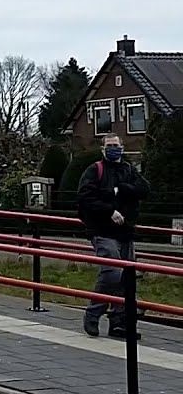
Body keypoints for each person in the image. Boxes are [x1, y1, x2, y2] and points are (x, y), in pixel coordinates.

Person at [77, 133, 150, 338]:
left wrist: (121, 190)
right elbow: (85, 198)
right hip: (102, 230)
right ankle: (93, 313)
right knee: (112, 271)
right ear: (103, 149)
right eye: (109, 146)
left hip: (125, 232)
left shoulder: (128, 170)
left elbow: (144, 189)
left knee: (126, 278)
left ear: (122, 148)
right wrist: (109, 210)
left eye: (116, 145)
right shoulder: (94, 171)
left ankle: (120, 323)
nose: (113, 149)